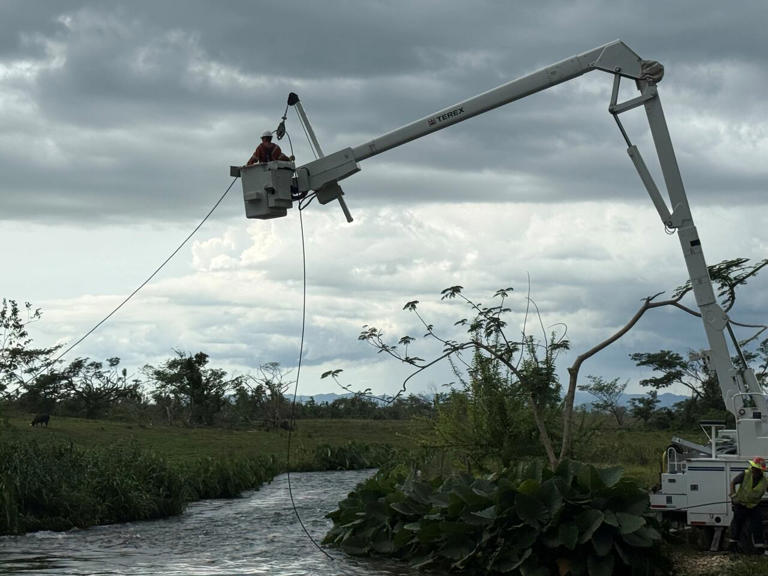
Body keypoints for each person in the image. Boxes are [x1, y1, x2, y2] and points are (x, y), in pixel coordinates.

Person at [728, 456, 768, 552]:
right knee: (737, 524)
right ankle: (733, 546)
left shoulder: (765, 481)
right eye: (754, 468)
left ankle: (760, 548)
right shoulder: (745, 474)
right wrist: (733, 496)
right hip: (741, 504)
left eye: (758, 469)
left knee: (757, 525)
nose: (755, 471)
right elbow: (733, 482)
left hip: (754, 505)